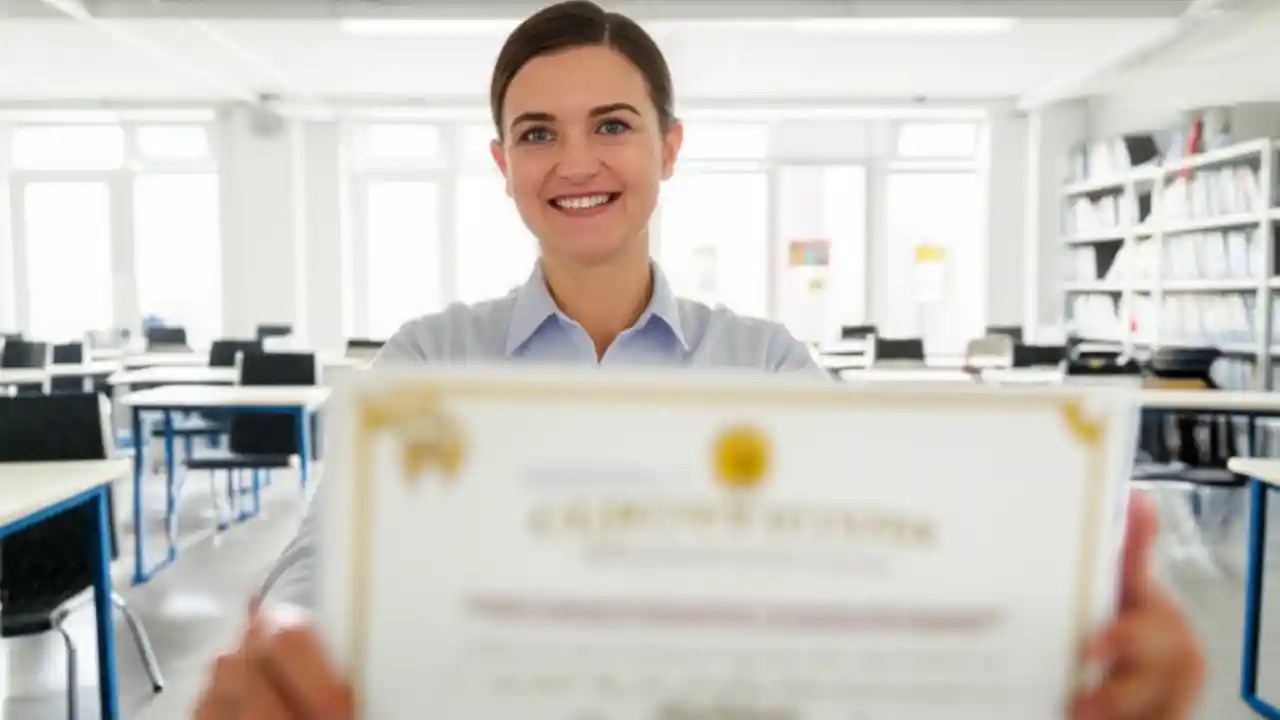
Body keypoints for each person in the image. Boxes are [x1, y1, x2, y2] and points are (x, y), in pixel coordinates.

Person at [194, 2, 1204, 718]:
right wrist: (288, 643)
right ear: (502, 163)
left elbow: (867, 571)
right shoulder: (428, 360)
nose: (575, 161)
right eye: (537, 132)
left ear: (668, 148)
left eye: (613, 126)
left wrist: (1048, 642)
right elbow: (327, 558)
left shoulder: (762, 364)